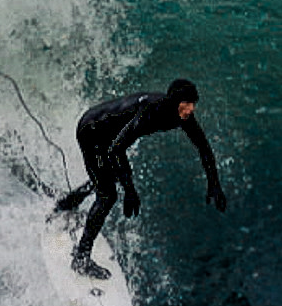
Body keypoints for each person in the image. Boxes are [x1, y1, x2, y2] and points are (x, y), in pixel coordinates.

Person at [51, 77, 226, 277]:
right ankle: (81, 259)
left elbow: (204, 148)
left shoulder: (181, 116)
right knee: (108, 195)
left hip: (109, 133)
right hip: (92, 130)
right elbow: (117, 150)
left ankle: (68, 202)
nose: (190, 110)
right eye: (186, 105)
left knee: (109, 178)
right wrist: (130, 191)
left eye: (193, 105)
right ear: (174, 101)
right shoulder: (150, 112)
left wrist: (214, 184)